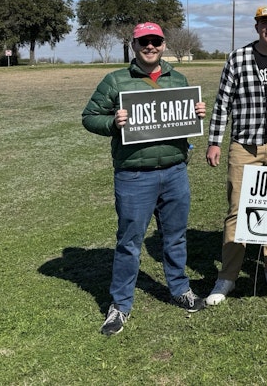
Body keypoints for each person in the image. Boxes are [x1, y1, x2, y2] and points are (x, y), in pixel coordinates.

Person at [82, 22, 207, 336]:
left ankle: (180, 289)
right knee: (129, 243)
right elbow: (89, 117)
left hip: (175, 171)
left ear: (164, 44)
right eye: (143, 42)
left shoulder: (177, 78)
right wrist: (113, 122)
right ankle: (120, 305)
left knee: (175, 236)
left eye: (155, 41)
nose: (150, 46)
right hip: (134, 175)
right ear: (134, 46)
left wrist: (196, 113)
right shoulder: (115, 80)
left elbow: (184, 118)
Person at [204, 5, 267, 304]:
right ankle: (228, 277)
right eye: (264, 23)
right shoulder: (239, 58)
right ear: (256, 27)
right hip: (245, 146)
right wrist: (214, 141)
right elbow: (223, 102)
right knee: (237, 210)